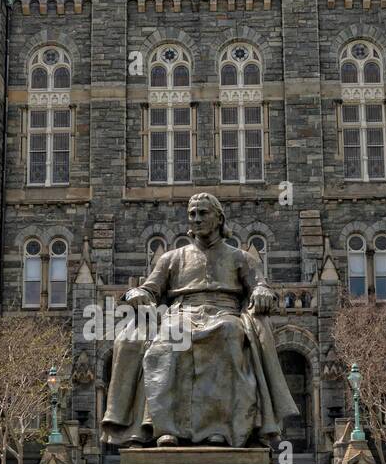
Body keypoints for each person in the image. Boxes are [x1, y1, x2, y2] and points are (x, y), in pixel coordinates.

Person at [101, 192, 298, 448]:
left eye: (203, 213)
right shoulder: (171, 258)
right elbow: (149, 289)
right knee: (165, 345)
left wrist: (262, 292)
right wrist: (135, 293)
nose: (196, 219)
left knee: (228, 334)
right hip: (181, 314)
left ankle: (220, 430)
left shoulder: (241, 258)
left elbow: (262, 288)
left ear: (219, 218)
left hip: (225, 313)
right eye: (192, 214)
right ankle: (164, 429)